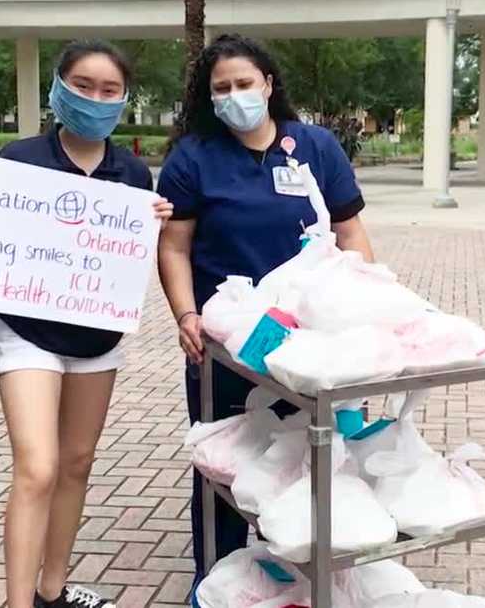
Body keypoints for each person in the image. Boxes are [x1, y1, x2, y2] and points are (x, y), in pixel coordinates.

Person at [0, 40, 173, 608]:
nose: (94, 99)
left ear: (124, 99)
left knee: (77, 462)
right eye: (81, 85)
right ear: (56, 87)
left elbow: (123, 258)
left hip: (97, 338)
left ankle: (53, 590)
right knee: (38, 466)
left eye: (108, 90)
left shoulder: (133, 174)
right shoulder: (18, 159)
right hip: (27, 330)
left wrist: (151, 226)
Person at [155, 34, 375, 595]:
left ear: (269, 85)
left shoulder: (316, 148)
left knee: (317, 454)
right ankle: (218, 582)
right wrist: (186, 314)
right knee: (226, 458)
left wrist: (364, 306)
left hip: (312, 340)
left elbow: (350, 233)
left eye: (244, 83)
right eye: (221, 88)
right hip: (228, 341)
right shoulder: (193, 159)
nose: (234, 96)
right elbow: (174, 246)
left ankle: (309, 575)